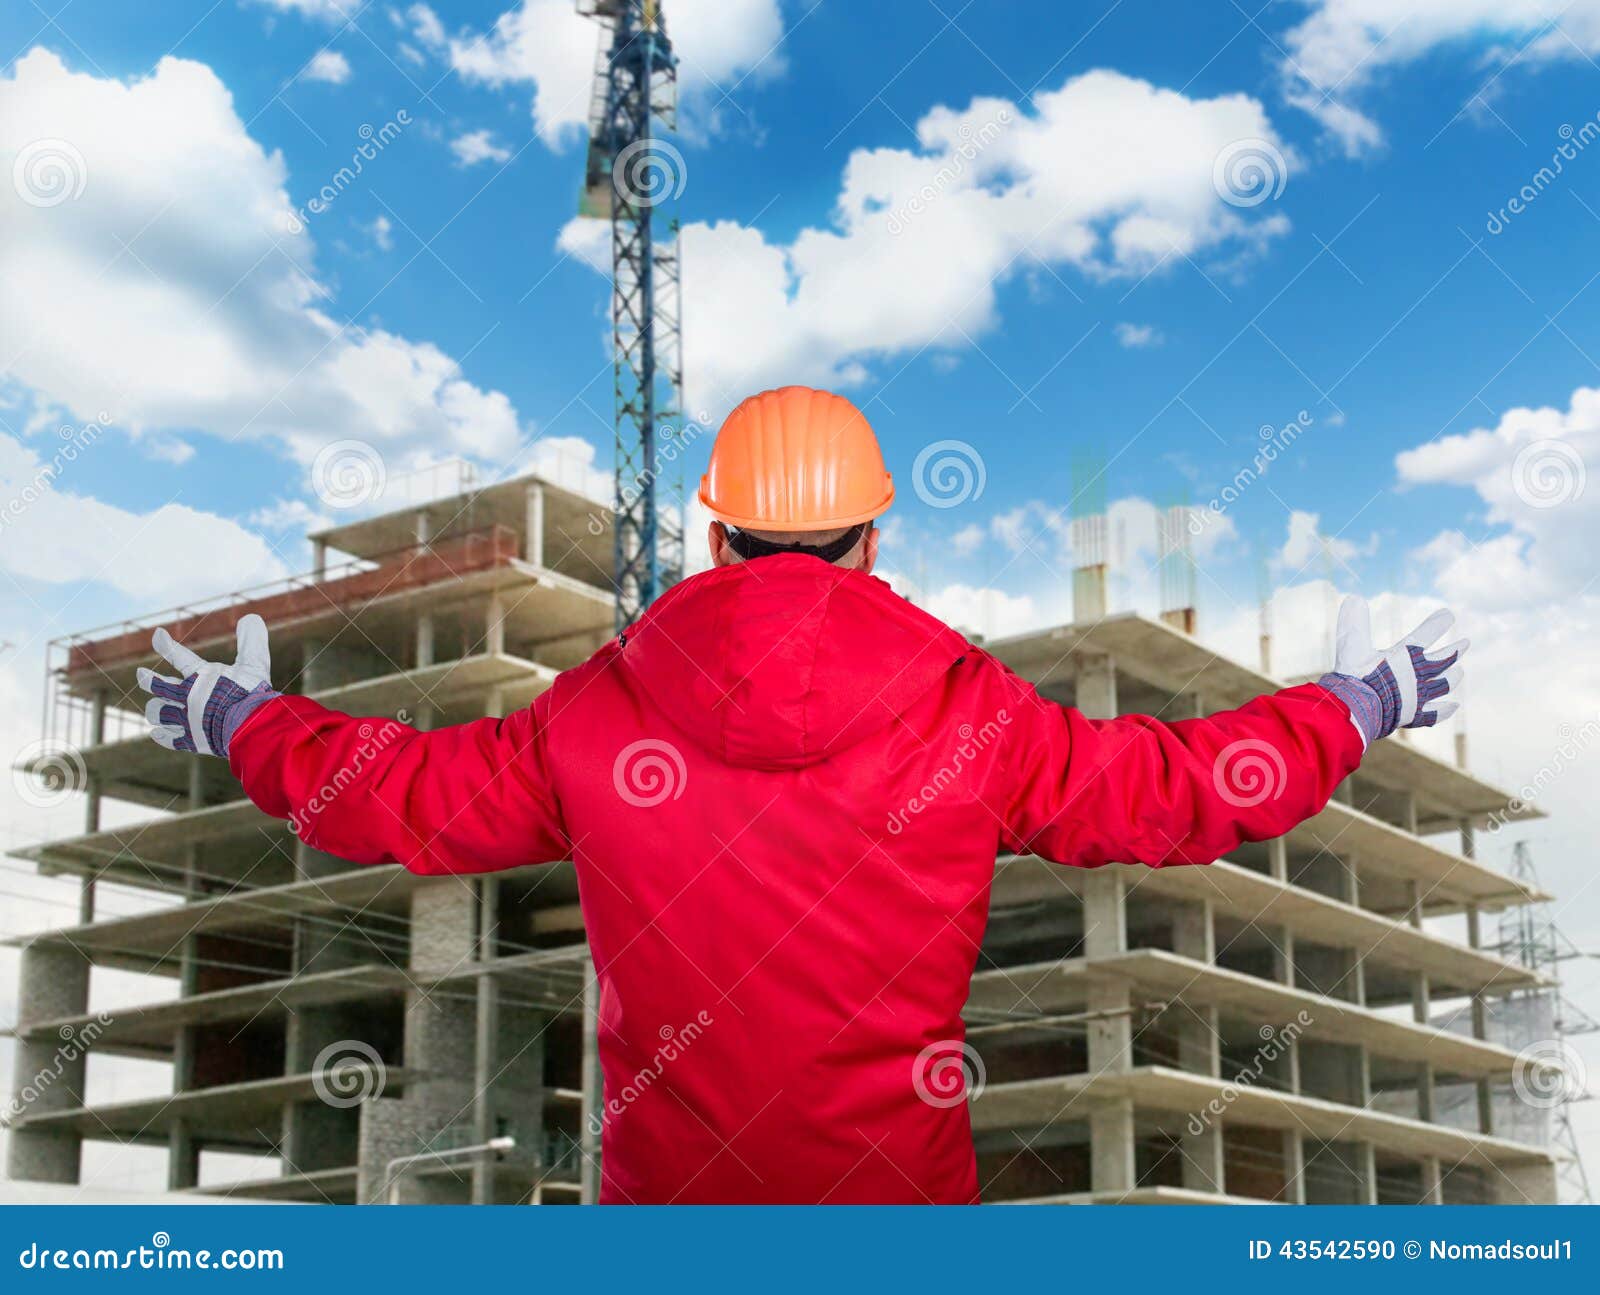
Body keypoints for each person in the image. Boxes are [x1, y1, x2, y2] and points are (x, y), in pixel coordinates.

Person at [139, 385, 1465, 1204]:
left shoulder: (602, 710)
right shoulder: (967, 714)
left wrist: (239, 719)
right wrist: (1356, 706)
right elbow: (1178, 792)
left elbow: (403, 798)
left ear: (715, 535)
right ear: (874, 535)